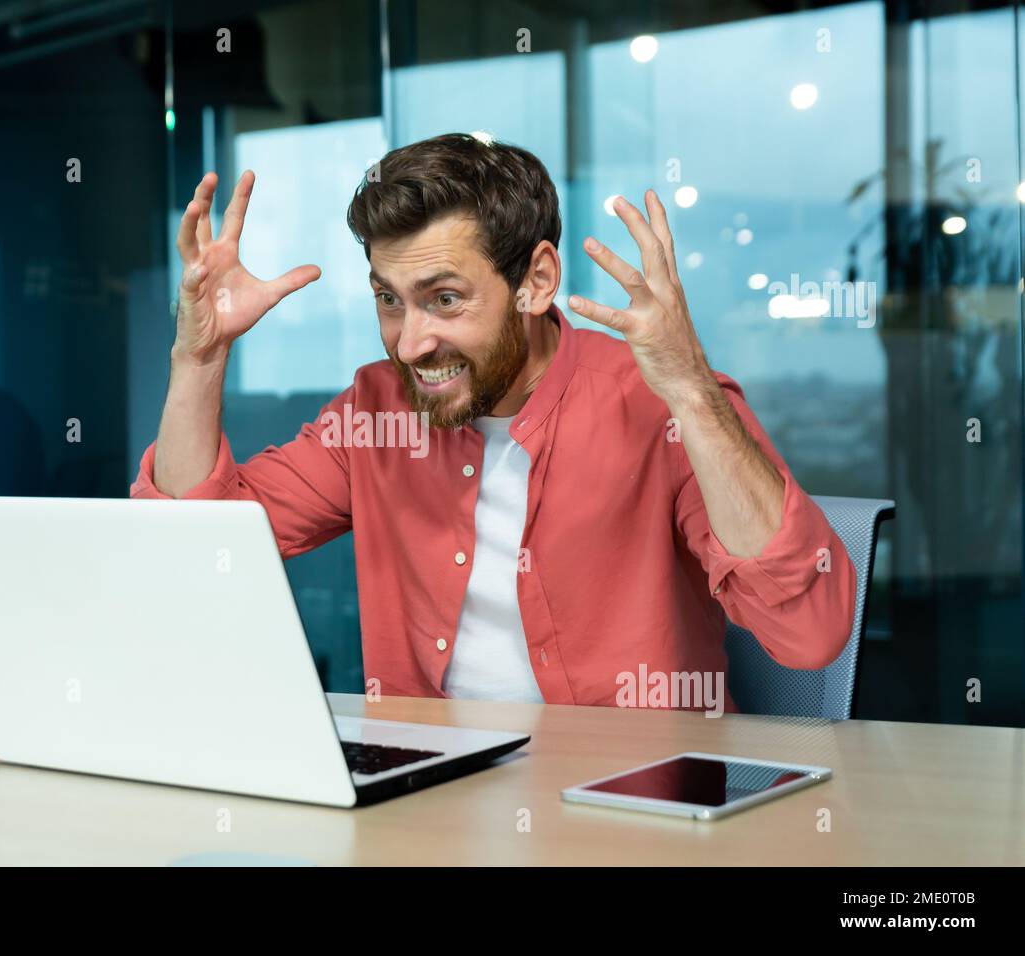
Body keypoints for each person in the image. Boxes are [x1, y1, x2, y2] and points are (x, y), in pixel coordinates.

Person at [131, 132, 855, 710]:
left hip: (628, 817)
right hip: (425, 810)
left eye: (444, 299)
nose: (410, 342)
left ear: (536, 281)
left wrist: (694, 393)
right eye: (389, 299)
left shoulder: (658, 404)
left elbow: (811, 632)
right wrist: (199, 358)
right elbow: (192, 550)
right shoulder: (376, 411)